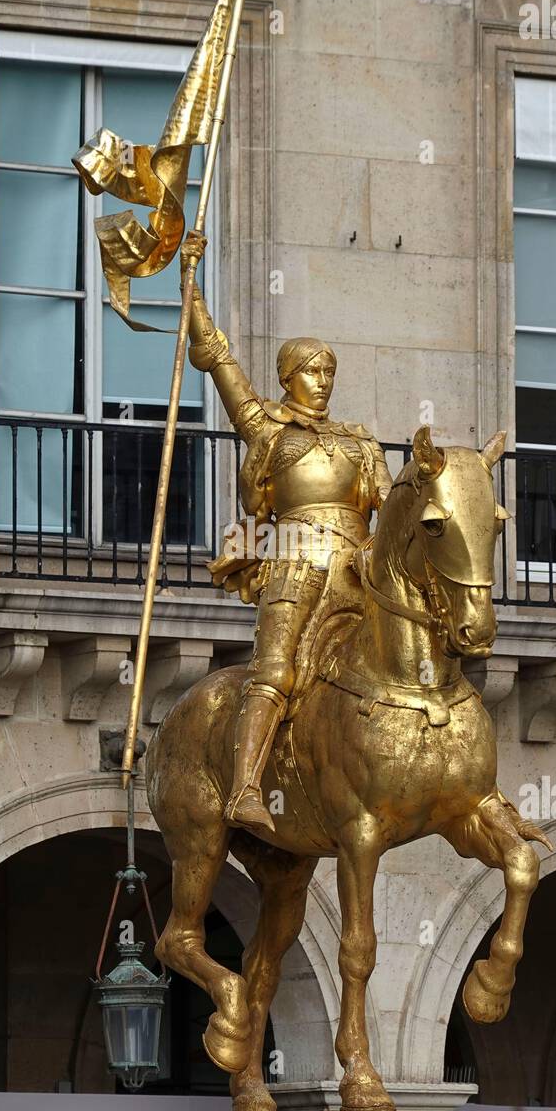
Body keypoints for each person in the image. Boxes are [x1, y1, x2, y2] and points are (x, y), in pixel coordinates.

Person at [181, 233, 392, 833]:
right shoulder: (268, 430)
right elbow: (219, 361)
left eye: (328, 371)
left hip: (358, 565)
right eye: (309, 371)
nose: (322, 382)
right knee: (275, 670)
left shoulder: (359, 440)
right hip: (294, 559)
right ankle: (246, 783)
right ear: (286, 378)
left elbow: (388, 501)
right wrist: (190, 287)